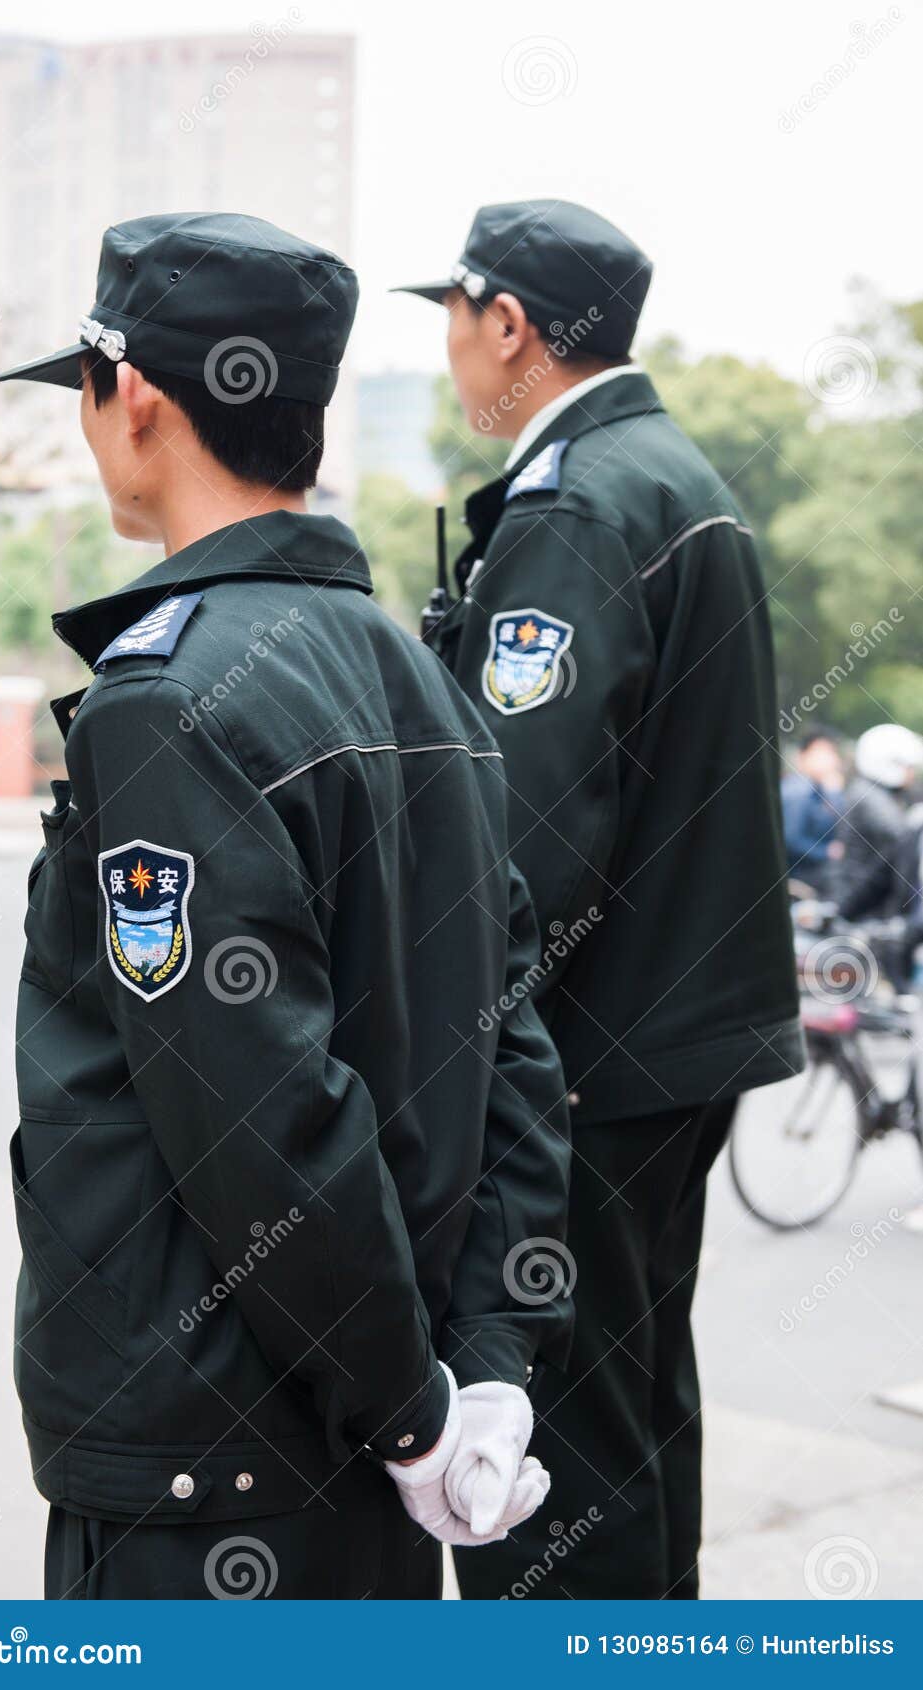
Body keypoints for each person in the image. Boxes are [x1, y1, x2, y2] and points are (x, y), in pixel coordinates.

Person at [0, 213, 573, 1601]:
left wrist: (421, 1407)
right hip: (362, 1445)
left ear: (132, 395)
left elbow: (264, 1119)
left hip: (210, 1460)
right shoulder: (406, 669)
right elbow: (517, 1047)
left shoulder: (166, 697)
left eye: (82, 387)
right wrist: (477, 1368)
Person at [395, 199, 803, 1599]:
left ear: (505, 321)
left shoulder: (577, 503)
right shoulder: (671, 475)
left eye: (449, 317)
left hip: (583, 1063)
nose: (448, 349)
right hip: (674, 1042)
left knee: (550, 1457)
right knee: (634, 1418)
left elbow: (518, 837)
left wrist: (439, 1053)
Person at [830, 723, 923, 924]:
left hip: (868, 898)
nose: (912, 774)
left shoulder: (879, 793)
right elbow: (903, 835)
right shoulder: (869, 795)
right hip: (860, 901)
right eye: (908, 767)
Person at [780, 727, 845, 893]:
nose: (829, 759)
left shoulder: (820, 789)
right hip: (800, 878)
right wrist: (826, 852)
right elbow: (790, 839)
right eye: (820, 753)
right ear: (802, 756)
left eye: (831, 753)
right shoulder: (798, 790)